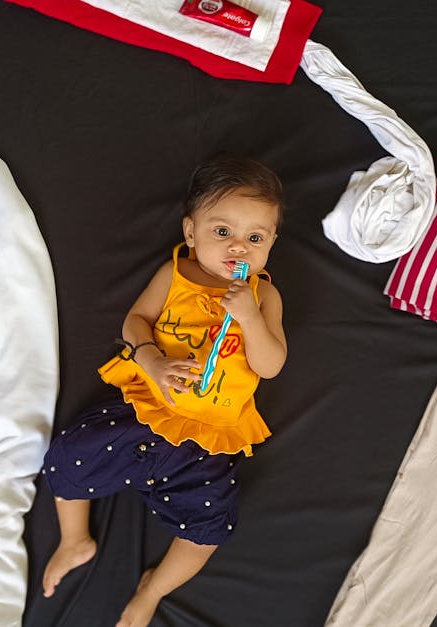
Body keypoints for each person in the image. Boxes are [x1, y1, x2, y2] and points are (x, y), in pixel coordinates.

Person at [39, 155, 288, 627]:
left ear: (272, 242)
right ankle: (75, 540)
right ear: (190, 233)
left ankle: (152, 589)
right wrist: (152, 360)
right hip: (146, 412)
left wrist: (251, 319)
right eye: (222, 233)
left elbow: (270, 366)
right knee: (66, 457)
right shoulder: (174, 275)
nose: (239, 247)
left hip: (206, 442)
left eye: (255, 238)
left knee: (211, 531)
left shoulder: (264, 296)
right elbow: (135, 322)